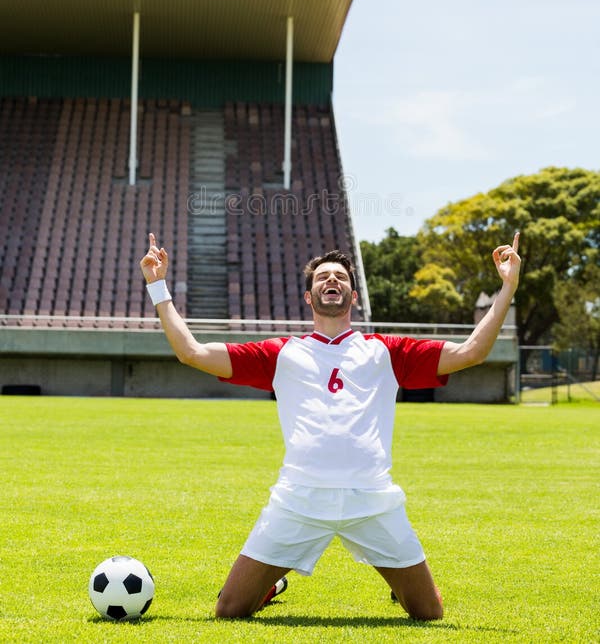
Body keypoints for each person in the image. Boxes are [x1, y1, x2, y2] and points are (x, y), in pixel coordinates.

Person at [140, 231, 520, 621]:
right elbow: (192, 352)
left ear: (353, 296)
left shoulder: (386, 351)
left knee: (429, 614)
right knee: (230, 610)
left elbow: (472, 352)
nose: (332, 281)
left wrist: (507, 286)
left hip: (372, 499)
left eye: (341, 277)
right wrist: (157, 285)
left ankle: (407, 582)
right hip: (299, 498)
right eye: (322, 277)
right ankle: (271, 582)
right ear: (309, 297)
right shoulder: (281, 353)